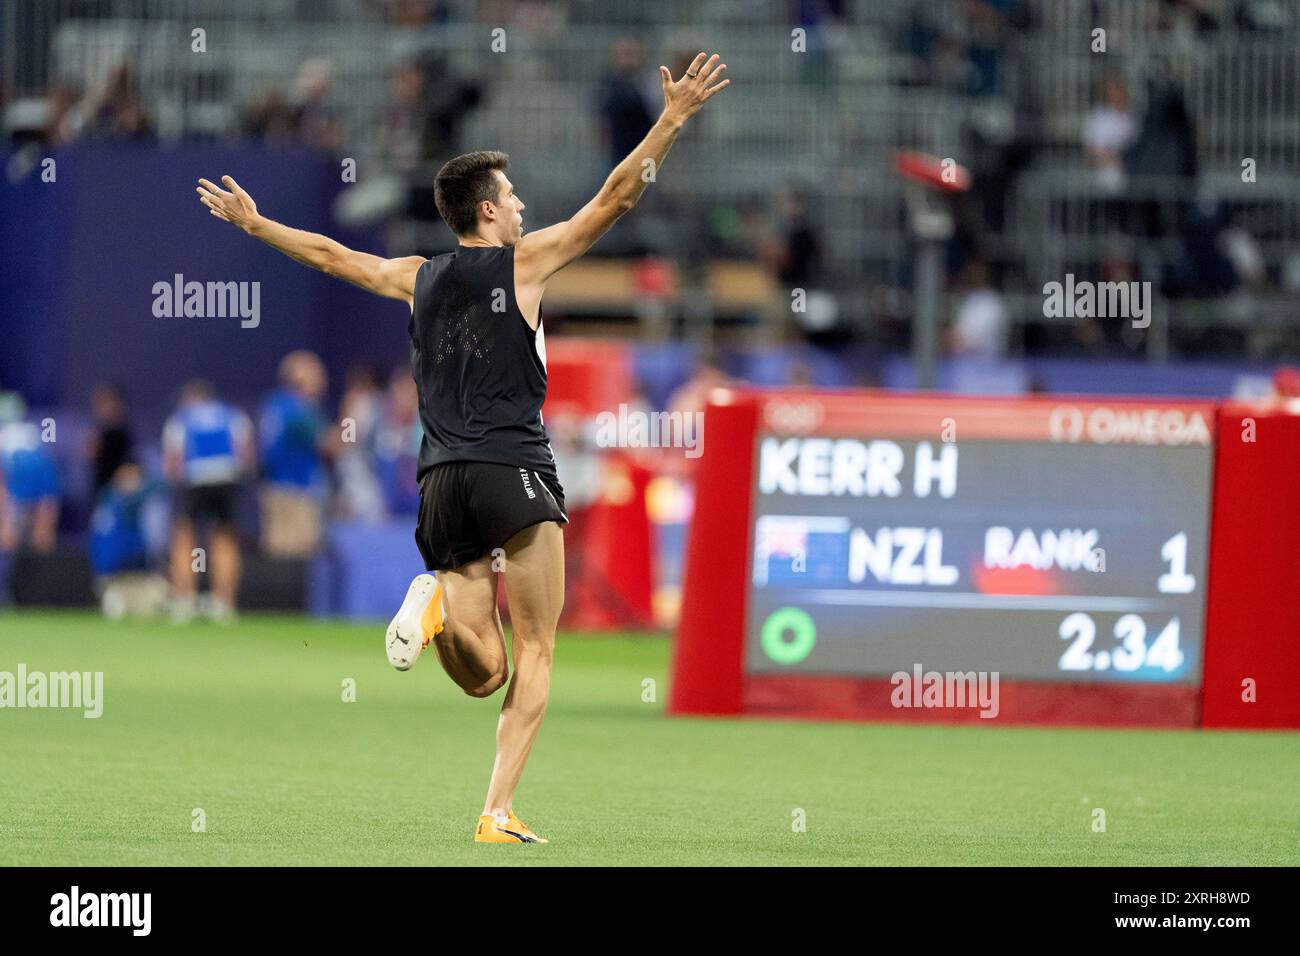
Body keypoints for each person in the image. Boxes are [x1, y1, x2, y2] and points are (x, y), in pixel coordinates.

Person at [195, 51, 729, 844]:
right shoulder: (527, 262)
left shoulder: (416, 273)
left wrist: (256, 224)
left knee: (484, 674)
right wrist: (674, 120)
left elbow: (335, 256)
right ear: (486, 211)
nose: (520, 207)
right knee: (539, 649)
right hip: (514, 467)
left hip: (440, 481)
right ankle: (495, 811)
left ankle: (440, 608)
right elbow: (616, 199)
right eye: (510, 198)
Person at [162, 380, 254, 623]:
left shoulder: (181, 418)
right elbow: (245, 455)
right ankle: (224, 602)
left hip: (194, 480)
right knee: (225, 539)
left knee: (185, 537)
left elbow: (173, 461)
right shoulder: (233, 416)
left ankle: (185, 599)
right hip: (227, 479)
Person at [259, 351, 328, 556]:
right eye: (315, 374)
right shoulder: (299, 407)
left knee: (278, 550)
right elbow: (326, 443)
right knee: (298, 554)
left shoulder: (274, 403)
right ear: (299, 378)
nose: (321, 380)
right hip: (297, 492)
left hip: (274, 487)